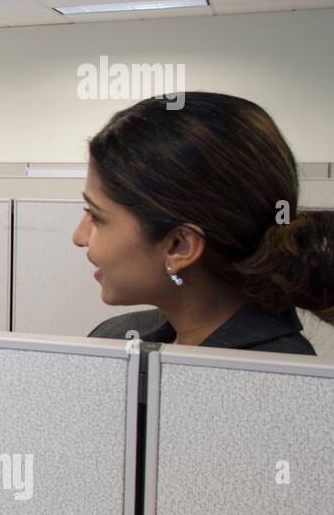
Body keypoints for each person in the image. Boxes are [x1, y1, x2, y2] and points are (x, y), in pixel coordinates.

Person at [78, 93, 333, 353]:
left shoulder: (280, 381)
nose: (78, 236)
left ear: (179, 246)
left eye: (96, 217)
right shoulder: (115, 338)